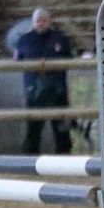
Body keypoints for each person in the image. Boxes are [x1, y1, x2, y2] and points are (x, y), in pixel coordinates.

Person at [14, 8, 74, 154]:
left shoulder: (59, 38)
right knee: (33, 127)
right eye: (38, 20)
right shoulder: (24, 40)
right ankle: (30, 159)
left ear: (49, 21)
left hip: (57, 88)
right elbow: (18, 60)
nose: (41, 23)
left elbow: (68, 58)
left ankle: (64, 157)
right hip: (34, 89)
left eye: (44, 20)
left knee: (61, 126)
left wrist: (50, 65)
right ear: (33, 22)